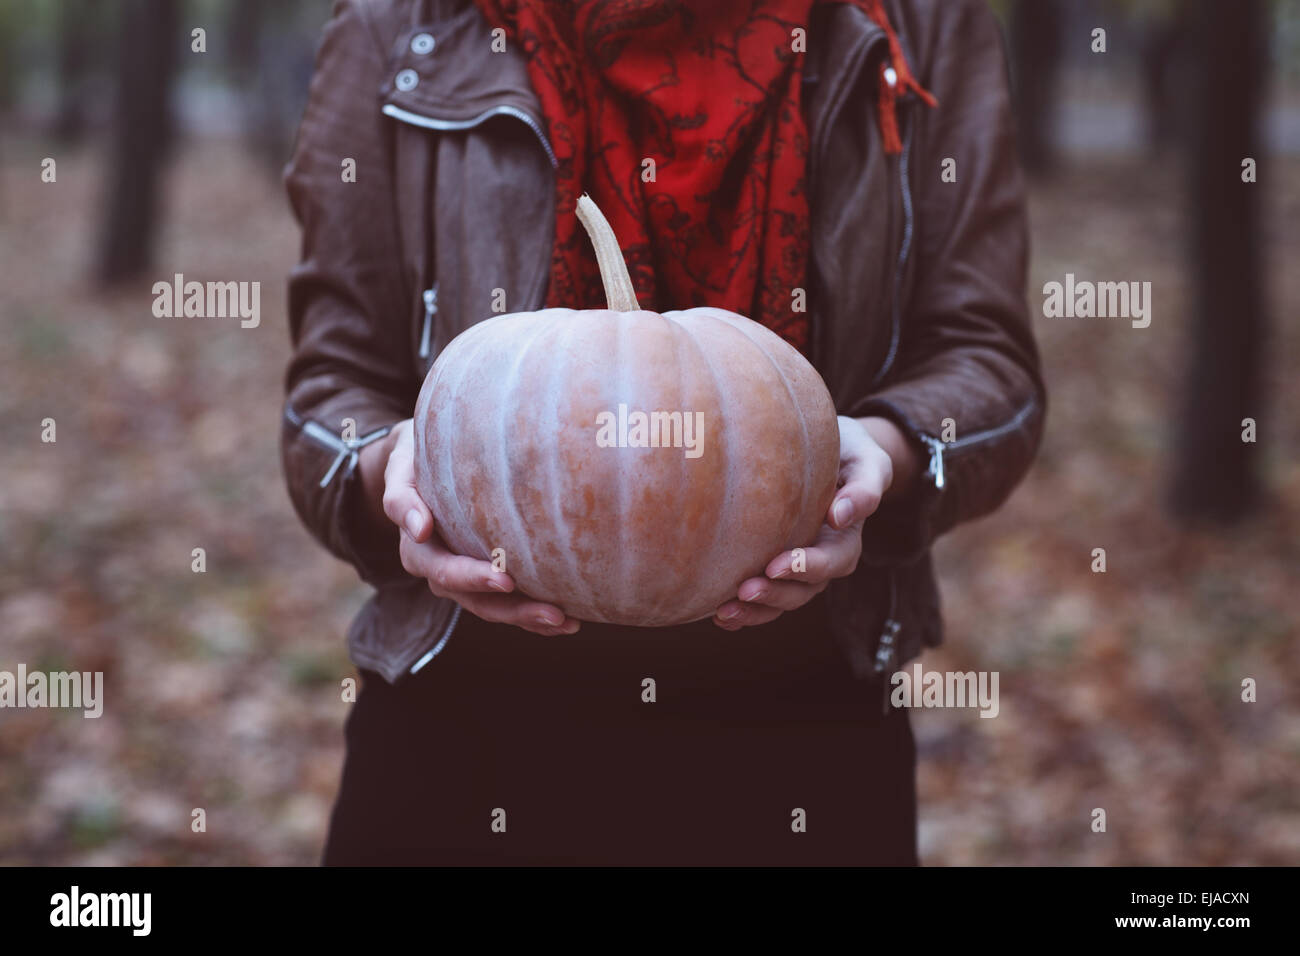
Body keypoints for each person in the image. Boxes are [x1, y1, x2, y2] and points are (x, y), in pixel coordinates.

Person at [281, 0, 1045, 865]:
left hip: (801, 725)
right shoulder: (402, 20)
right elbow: (326, 390)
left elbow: (991, 365)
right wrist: (395, 465)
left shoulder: (919, 20)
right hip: (465, 725)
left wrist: (890, 450)